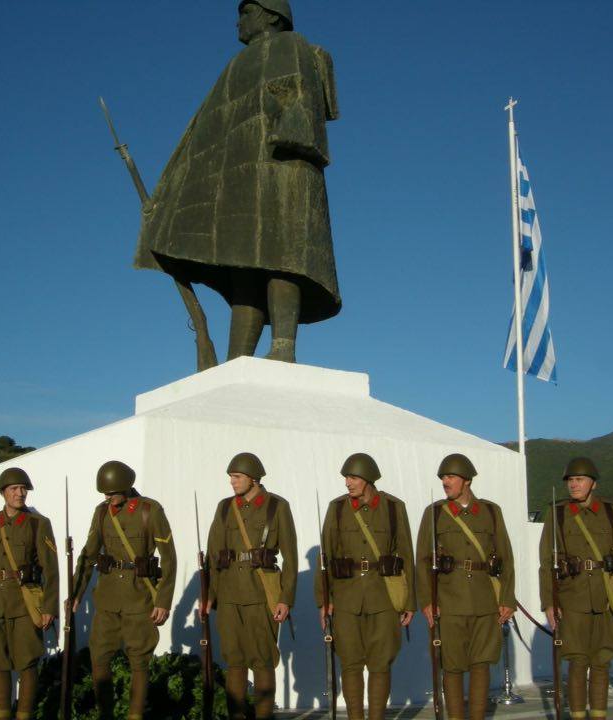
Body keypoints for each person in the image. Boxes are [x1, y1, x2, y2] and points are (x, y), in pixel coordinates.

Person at [135, 0, 341, 364]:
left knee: (282, 257)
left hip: (281, 169)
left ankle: (283, 347)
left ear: (271, 15)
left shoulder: (290, 46)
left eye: (246, 12)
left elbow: (296, 104)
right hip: (241, 182)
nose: (238, 23)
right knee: (244, 263)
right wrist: (168, 198)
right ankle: (237, 359)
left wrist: (287, 133)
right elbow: (204, 139)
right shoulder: (235, 66)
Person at [72, 460, 177, 720]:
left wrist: (163, 601)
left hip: (139, 597)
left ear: (126, 486)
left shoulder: (149, 510)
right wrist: (76, 592)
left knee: (139, 661)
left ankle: (135, 715)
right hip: (107, 598)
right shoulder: (101, 512)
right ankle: (105, 714)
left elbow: (169, 558)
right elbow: (88, 554)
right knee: (99, 657)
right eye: (104, 494)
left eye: (111, 492)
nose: (107, 498)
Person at [415, 453, 516, 720]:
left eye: (450, 477)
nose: (445, 482)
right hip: (448, 601)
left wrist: (507, 598)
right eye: (443, 477)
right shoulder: (434, 512)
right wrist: (426, 600)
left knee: (481, 664)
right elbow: (422, 560)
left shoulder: (491, 512)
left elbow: (506, 557)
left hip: (485, 600)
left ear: (467, 481)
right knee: (452, 666)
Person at [315, 453, 415, 720]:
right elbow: (325, 557)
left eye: (353, 478)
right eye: (346, 478)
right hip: (346, 596)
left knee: (381, 664)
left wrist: (409, 601)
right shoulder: (336, 508)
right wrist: (323, 600)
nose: (348, 483)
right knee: (350, 663)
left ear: (368, 479)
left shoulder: (394, 508)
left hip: (383, 596)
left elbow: (406, 554)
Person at [539, 457, 613, 720]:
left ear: (593, 483)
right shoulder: (557, 513)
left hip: (606, 596)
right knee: (577, 661)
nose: (574, 485)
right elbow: (547, 563)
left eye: (579, 480)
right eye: (570, 480)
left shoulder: (610, 511)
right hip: (573, 597)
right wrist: (549, 602)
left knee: (602, 662)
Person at [206, 452, 297, 720]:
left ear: (253, 479)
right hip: (230, 594)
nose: (232, 482)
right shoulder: (224, 507)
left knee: (262, 660)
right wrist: (210, 594)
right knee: (234, 660)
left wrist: (285, 598)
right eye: (231, 477)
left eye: (237, 477)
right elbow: (214, 555)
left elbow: (290, 557)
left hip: (261, 593)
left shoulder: (276, 506)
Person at [0, 468, 59, 720]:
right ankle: (2, 715)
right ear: (3, 493)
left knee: (27, 662)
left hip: (24, 601)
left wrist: (49, 606)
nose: (20, 493)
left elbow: (51, 569)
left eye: (23, 488)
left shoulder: (38, 523)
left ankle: (24, 715)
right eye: (14, 489)